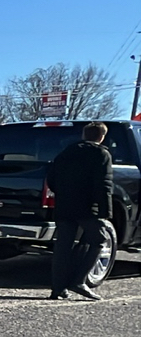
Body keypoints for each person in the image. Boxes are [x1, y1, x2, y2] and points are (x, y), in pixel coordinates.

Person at [47, 122, 113, 300]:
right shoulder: (100, 153)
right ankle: (79, 281)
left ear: (84, 135)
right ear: (101, 136)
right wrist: (106, 211)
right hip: (87, 208)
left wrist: (63, 194)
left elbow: (51, 179)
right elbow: (104, 184)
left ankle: (58, 288)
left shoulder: (65, 153)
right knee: (99, 240)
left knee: (63, 247)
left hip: (64, 206)